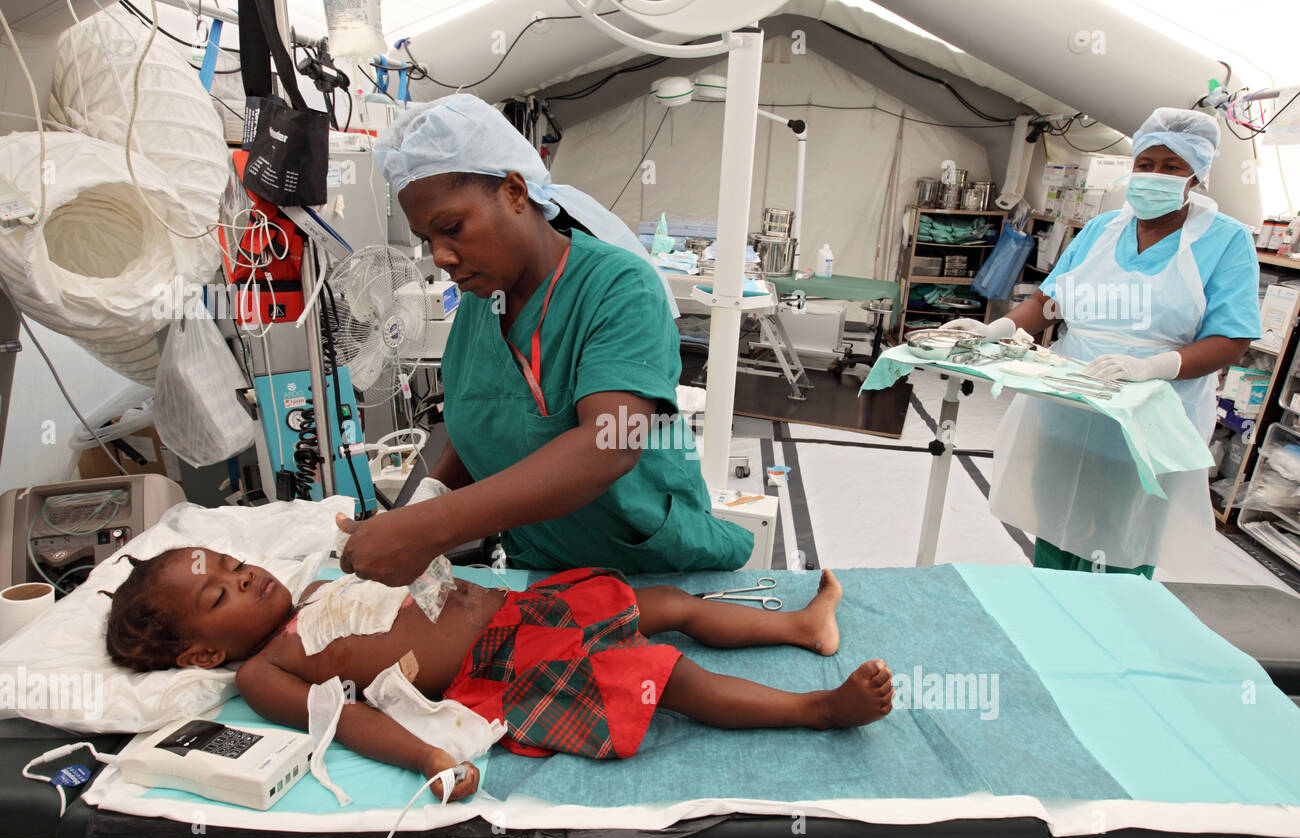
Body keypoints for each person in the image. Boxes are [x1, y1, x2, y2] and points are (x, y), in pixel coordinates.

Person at [335, 94, 751, 584]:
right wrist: (431, 496)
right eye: (428, 240)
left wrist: (431, 527)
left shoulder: (619, 288)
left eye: (451, 228)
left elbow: (612, 443)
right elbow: (484, 416)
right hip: (548, 565)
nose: (442, 256)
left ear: (514, 192)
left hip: (652, 568)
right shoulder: (481, 298)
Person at [102, 548, 893, 802]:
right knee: (662, 675)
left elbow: (401, 580)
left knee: (662, 603)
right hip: (503, 669)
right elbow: (344, 722)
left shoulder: (312, 588)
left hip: (522, 613)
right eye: (219, 595)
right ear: (203, 655)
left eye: (237, 567)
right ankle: (817, 710)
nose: (246, 581)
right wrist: (432, 759)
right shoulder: (270, 669)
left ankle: (799, 623)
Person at [943, 108, 1261, 576]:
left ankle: (1105, 629)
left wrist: (1151, 367)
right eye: (1145, 164)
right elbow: (1048, 302)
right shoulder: (1101, 228)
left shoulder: (1226, 240)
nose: (1155, 175)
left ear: (1197, 174)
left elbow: (1230, 339)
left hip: (1150, 414)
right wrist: (998, 329)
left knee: (1125, 534)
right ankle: (1049, 615)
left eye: (1171, 166)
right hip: (1069, 402)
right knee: (1057, 518)